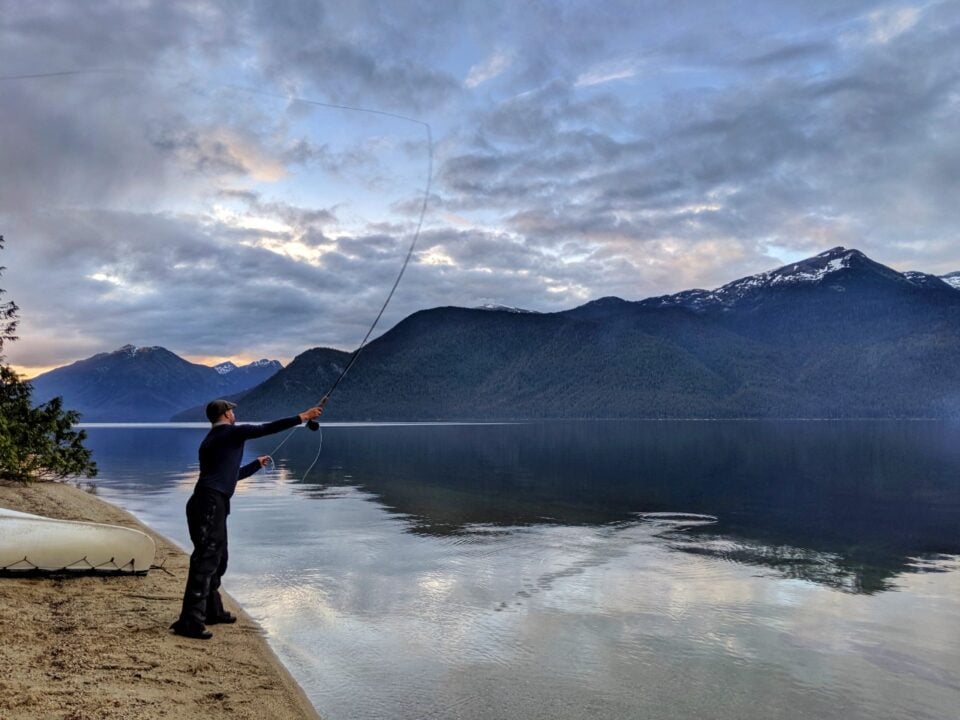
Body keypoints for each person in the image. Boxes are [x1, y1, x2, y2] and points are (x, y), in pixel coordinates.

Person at [170, 399, 323, 640]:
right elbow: (265, 428)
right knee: (206, 561)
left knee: (219, 560)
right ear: (226, 414)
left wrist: (255, 465)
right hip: (208, 504)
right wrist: (302, 417)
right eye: (232, 410)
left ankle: (212, 611)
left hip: (211, 503)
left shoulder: (218, 439)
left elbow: (231, 476)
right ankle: (189, 622)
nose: (234, 413)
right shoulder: (228, 433)